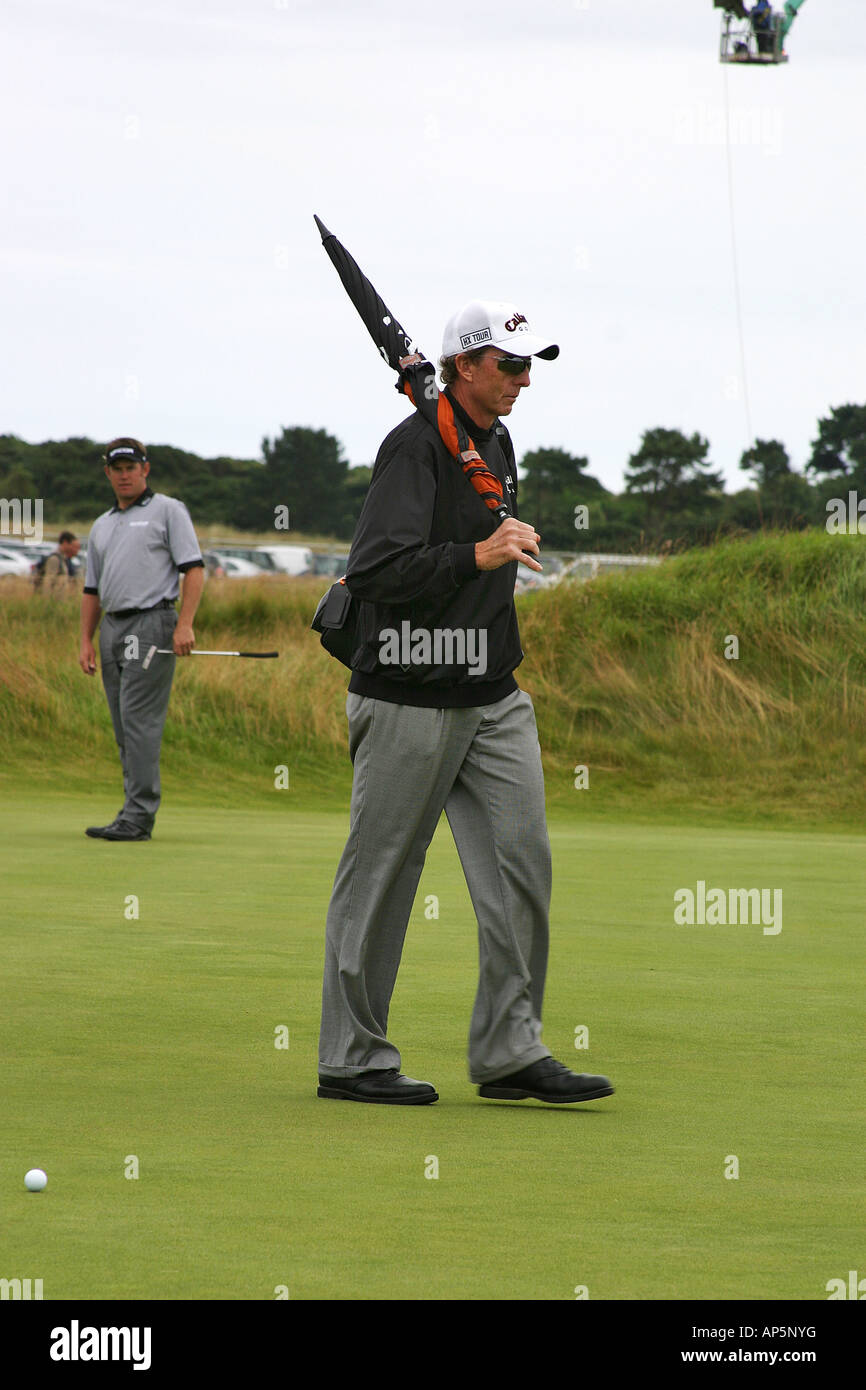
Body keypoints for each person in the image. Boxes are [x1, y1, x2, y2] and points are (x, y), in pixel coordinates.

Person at [317, 300, 615, 1107]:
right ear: (465, 366)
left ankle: (510, 1049)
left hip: (492, 690)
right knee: (382, 876)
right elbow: (377, 570)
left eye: (529, 366)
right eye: (509, 364)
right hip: (407, 689)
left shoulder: (496, 439)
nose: (523, 379)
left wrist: (491, 554)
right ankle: (352, 1058)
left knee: (522, 868)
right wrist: (479, 553)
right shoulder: (413, 445)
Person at [79, 438, 205, 841]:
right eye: (117, 469)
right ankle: (132, 810)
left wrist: (184, 624)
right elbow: (91, 591)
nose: (124, 475)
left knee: (138, 722)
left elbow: (194, 570)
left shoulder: (168, 510)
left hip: (152, 623)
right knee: (121, 723)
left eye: (131, 467)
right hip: (111, 627)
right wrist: (85, 639)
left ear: (145, 469)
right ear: (108, 473)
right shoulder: (102, 524)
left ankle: (138, 815)